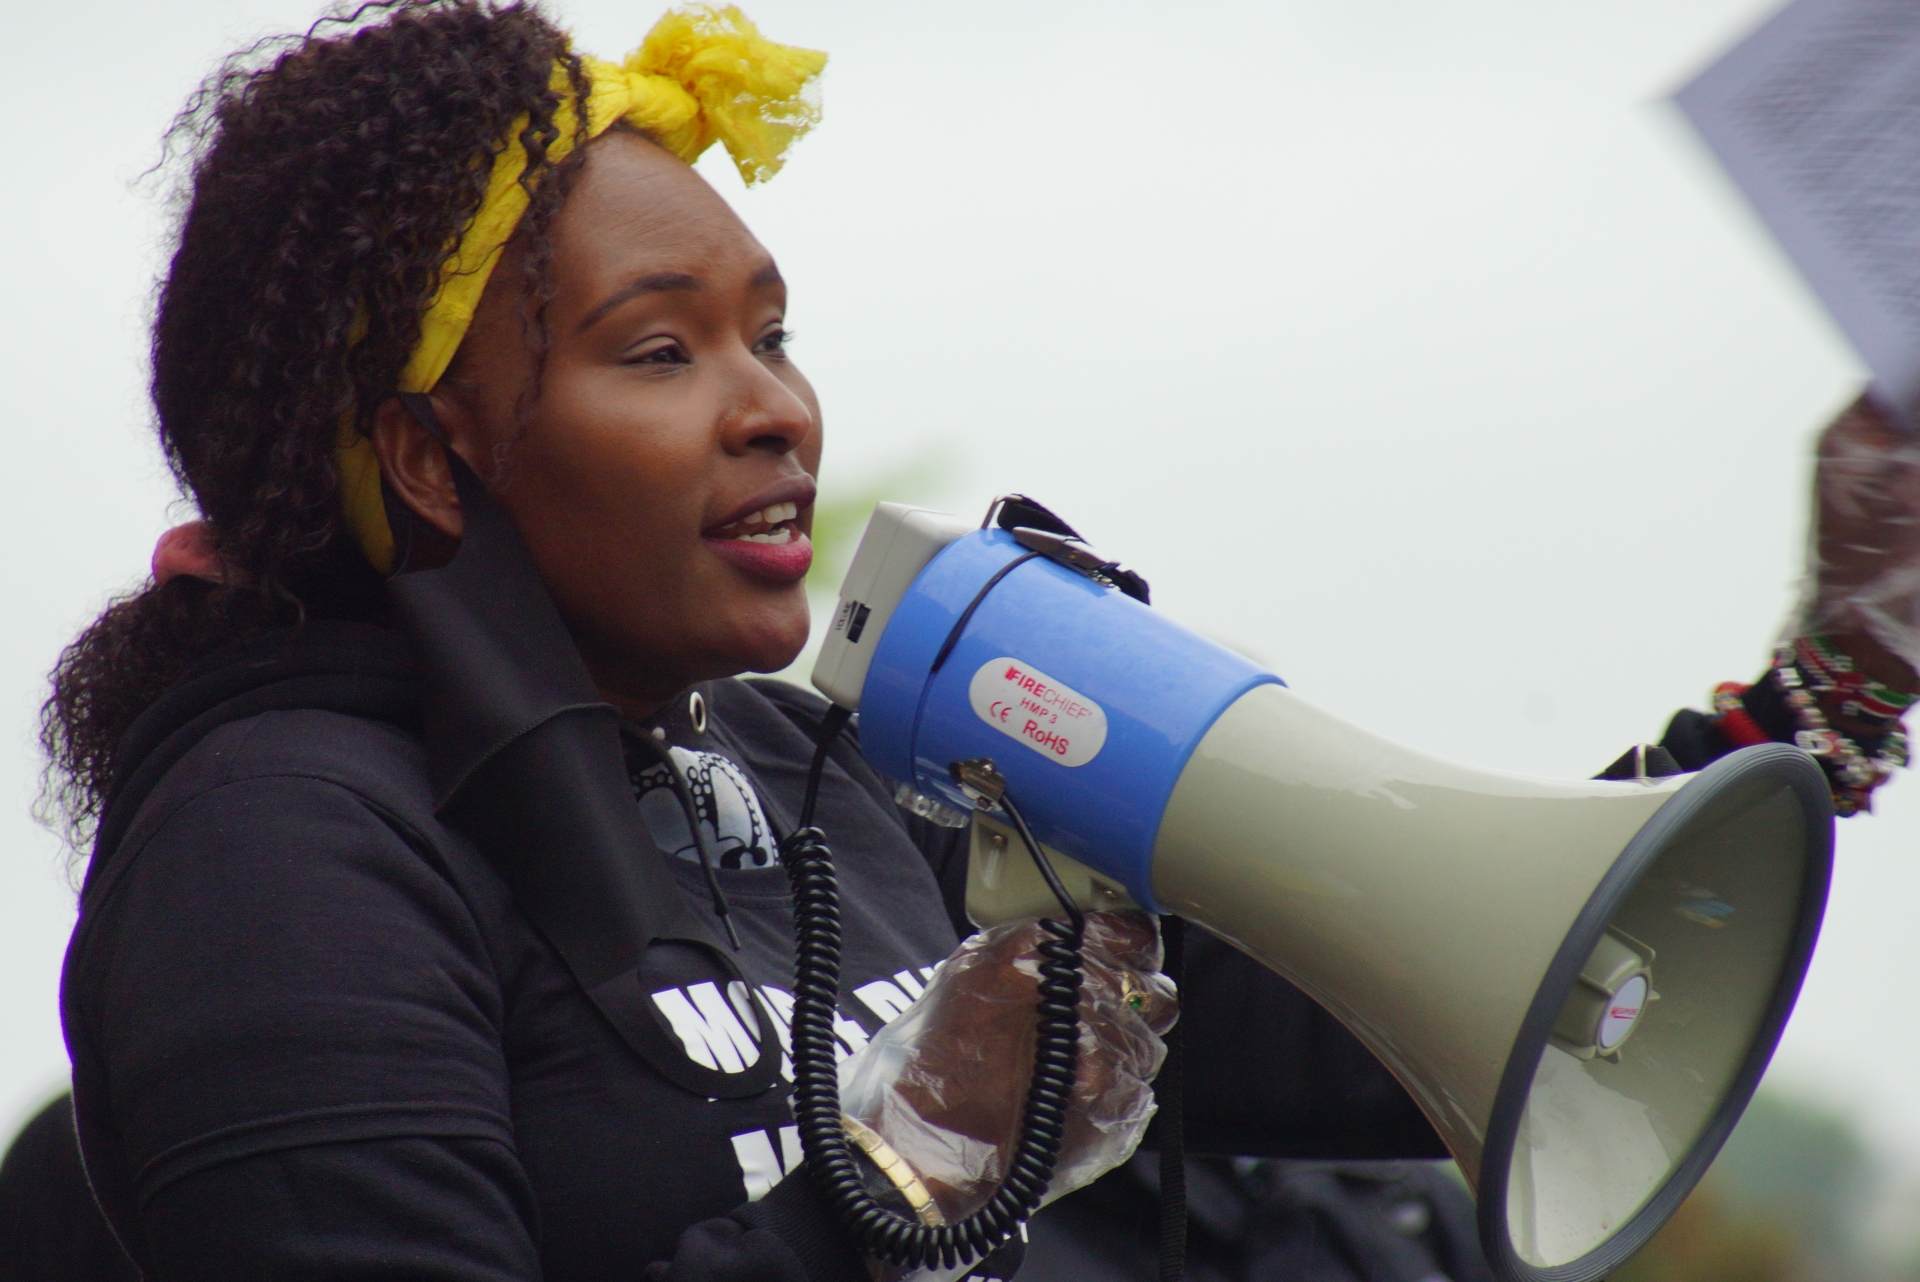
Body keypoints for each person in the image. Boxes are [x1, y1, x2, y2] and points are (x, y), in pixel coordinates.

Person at [26, 5, 1443, 1281]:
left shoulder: (804, 760)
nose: (776, 409)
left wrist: (1653, 808)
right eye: (660, 350)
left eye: (771, 335)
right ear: (425, 457)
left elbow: (1386, 1015)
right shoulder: (273, 849)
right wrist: (906, 1168)